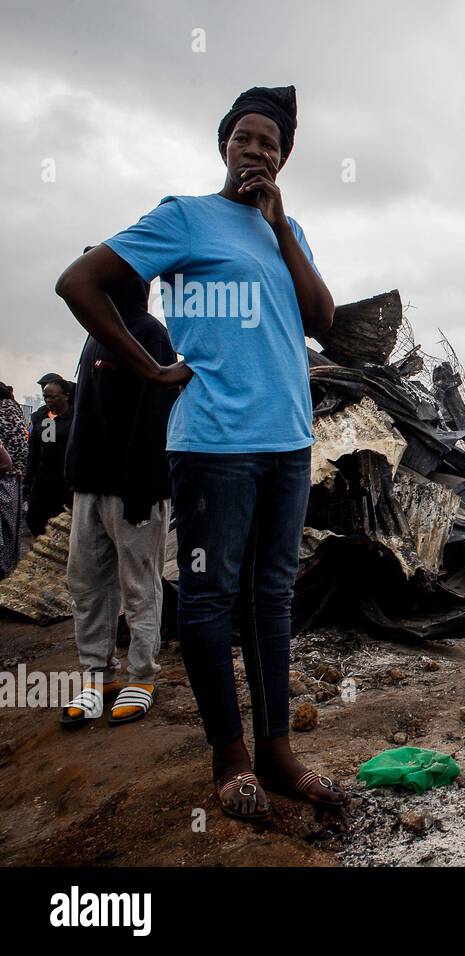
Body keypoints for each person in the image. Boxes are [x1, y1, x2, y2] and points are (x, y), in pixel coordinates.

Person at [55, 84, 343, 821]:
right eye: (246, 139)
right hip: (214, 444)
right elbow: (81, 282)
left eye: (271, 146)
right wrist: (149, 369)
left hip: (288, 441)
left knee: (272, 597)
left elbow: (322, 317)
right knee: (212, 598)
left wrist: (280, 228)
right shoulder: (184, 217)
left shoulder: (290, 229)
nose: (258, 152)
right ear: (225, 146)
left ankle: (278, 751)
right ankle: (231, 758)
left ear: (283, 162)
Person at [59, 254, 178, 728]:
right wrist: (75, 480)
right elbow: (88, 414)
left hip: (135, 491)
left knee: (139, 585)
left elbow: (154, 422)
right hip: (90, 487)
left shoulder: (150, 335)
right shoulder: (96, 334)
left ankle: (142, 676)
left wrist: (140, 489)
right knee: (86, 583)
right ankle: (96, 674)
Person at [24, 376, 75, 535]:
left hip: (67, 482)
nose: (48, 400)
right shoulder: (45, 418)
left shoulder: (76, 418)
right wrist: (28, 480)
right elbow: (40, 450)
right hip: (44, 480)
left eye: (53, 396)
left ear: (66, 395)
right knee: (35, 520)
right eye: (46, 396)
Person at [0, 381, 27, 577]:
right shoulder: (13, 408)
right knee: (9, 525)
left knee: (5, 525)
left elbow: (6, 458)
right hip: (13, 477)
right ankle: (7, 564)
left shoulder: (3, 410)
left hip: (4, 476)